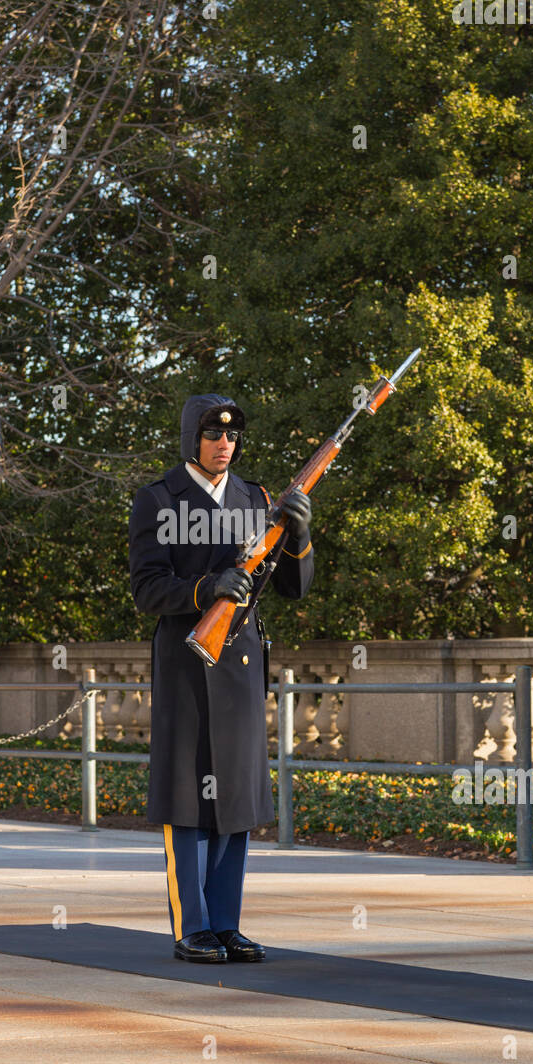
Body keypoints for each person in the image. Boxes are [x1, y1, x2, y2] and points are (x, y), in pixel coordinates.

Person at [128, 393, 314, 962]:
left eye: (232, 436)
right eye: (213, 434)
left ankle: (226, 923)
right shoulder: (158, 499)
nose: (224, 444)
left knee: (234, 797)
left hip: (238, 668)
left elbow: (294, 588)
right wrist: (203, 589)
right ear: (192, 438)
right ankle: (193, 926)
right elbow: (146, 589)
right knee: (186, 796)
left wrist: (301, 536)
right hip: (187, 662)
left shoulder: (256, 500)